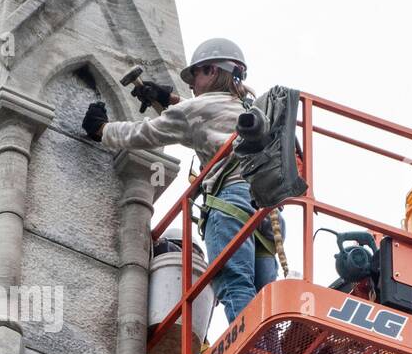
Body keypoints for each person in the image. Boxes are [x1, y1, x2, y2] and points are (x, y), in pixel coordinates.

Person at [81, 38, 283, 323]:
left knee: (235, 283)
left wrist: (102, 130)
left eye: (196, 75)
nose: (191, 85)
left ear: (213, 70)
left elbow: (147, 134)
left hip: (230, 205)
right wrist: (168, 101)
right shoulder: (249, 110)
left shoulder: (195, 110)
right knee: (265, 297)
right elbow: (204, 124)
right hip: (266, 213)